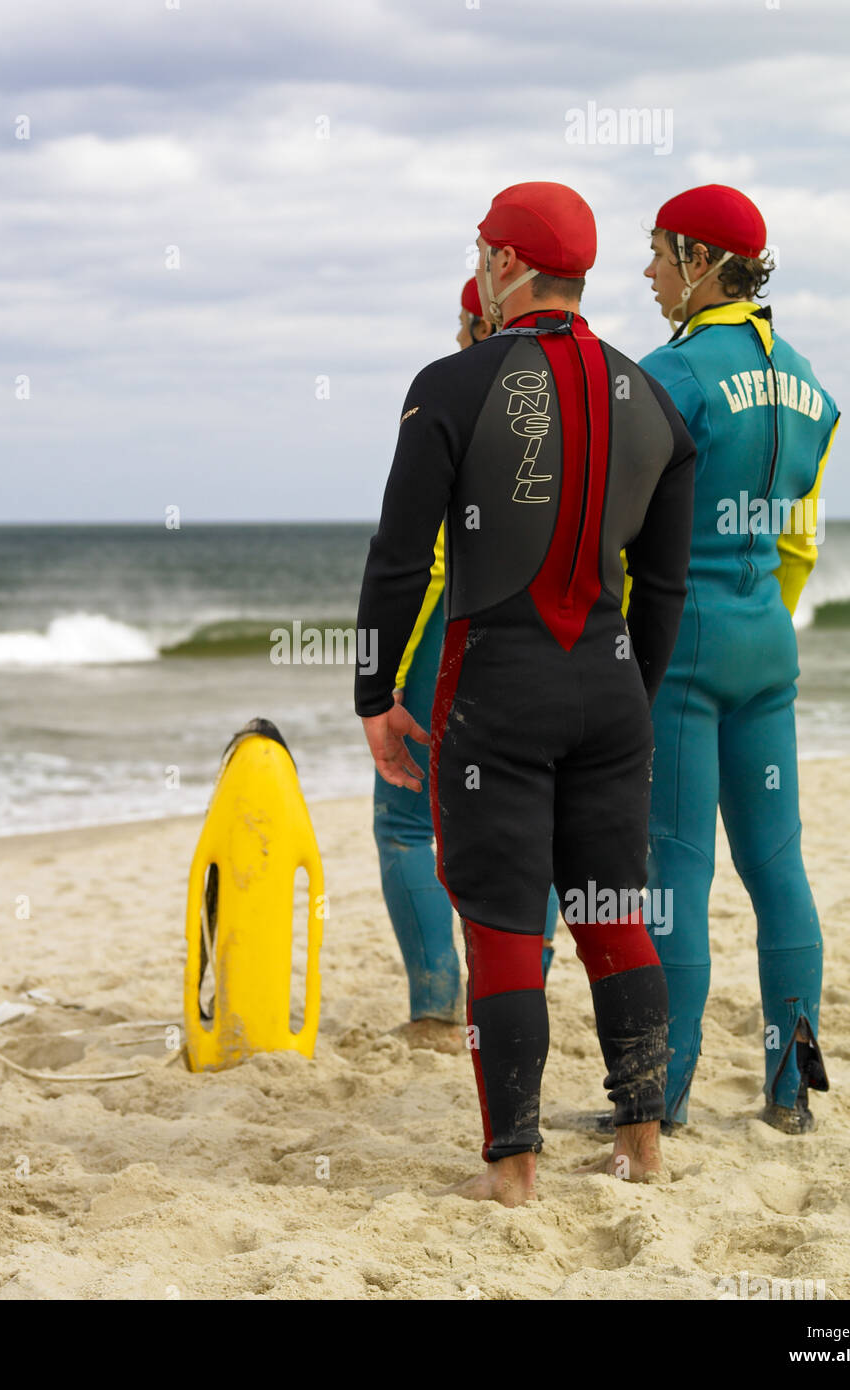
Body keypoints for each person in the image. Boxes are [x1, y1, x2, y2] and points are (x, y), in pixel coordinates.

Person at [356, 182, 696, 1204]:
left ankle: (512, 1169)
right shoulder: (656, 404)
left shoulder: (450, 387)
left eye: (480, 250)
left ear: (503, 263)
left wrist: (375, 689)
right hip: (609, 691)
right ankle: (641, 1143)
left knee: (503, 922)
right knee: (611, 912)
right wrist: (627, 695)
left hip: (496, 696)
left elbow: (400, 558)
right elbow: (664, 583)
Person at [638, 185, 841, 1133]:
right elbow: (799, 539)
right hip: (768, 640)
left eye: (658, 254)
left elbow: (620, 529)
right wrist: (766, 619)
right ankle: (792, 1093)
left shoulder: (670, 376)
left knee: (675, 868)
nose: (649, 273)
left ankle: (663, 1099)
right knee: (778, 868)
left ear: (701, 259)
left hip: (684, 645)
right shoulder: (810, 385)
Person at [379, 281, 560, 1056]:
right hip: (556, 634)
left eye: (461, 320)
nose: (455, 335)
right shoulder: (580, 400)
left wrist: (385, 672)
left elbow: (425, 561)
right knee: (538, 828)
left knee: (405, 823)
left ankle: (435, 1008)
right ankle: (525, 993)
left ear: (481, 317)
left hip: (455, 633)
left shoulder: (456, 397)